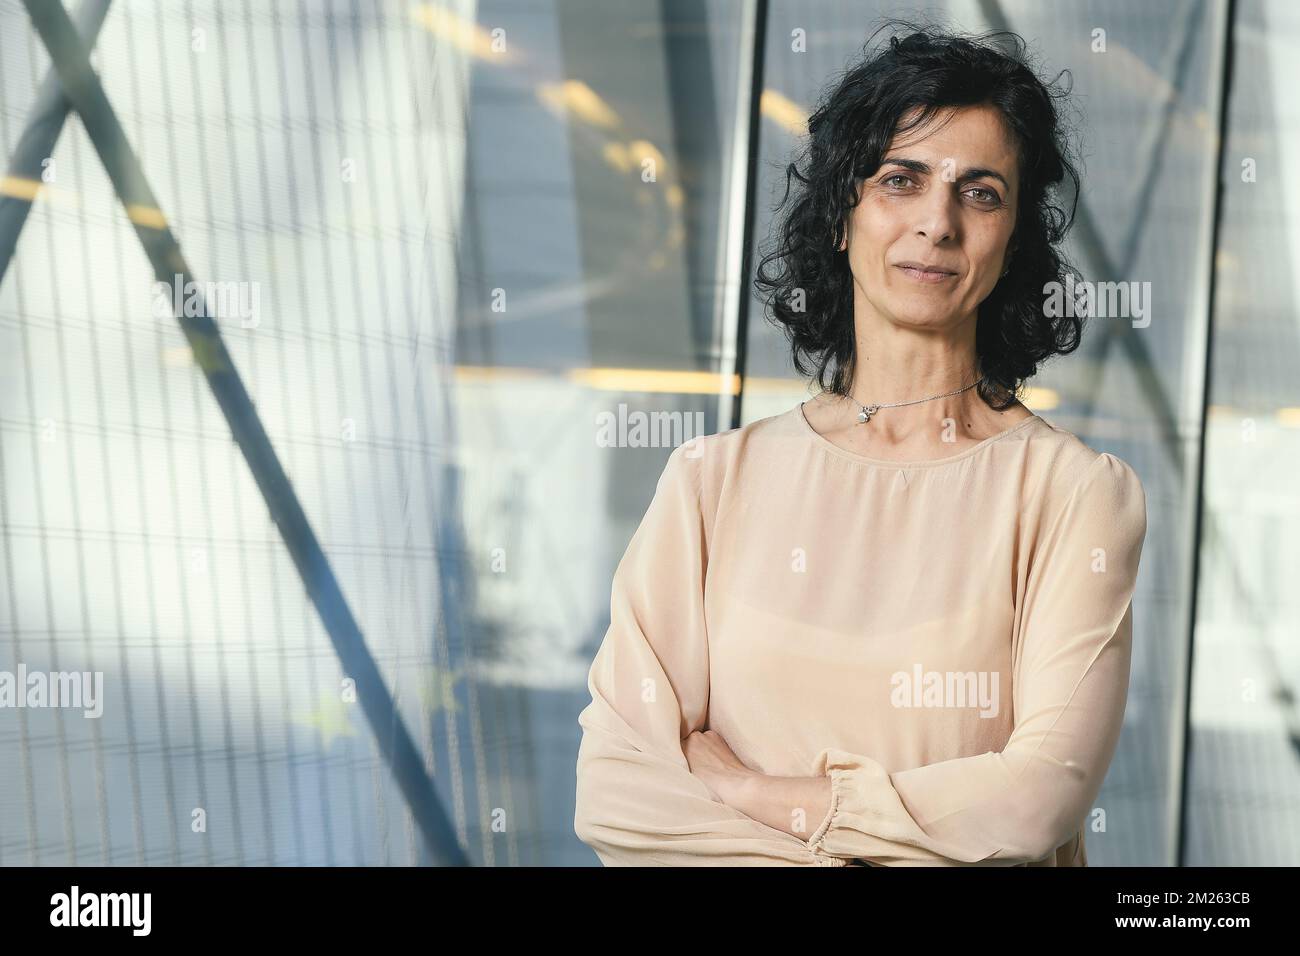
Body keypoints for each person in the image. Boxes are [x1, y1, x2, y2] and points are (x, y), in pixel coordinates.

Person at [573, 21, 1147, 866]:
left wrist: (749, 792)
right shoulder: (710, 483)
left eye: (980, 193)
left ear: (1013, 241)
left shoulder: (1073, 494)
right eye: (900, 180)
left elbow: (1034, 803)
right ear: (842, 217)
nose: (937, 222)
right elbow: (619, 797)